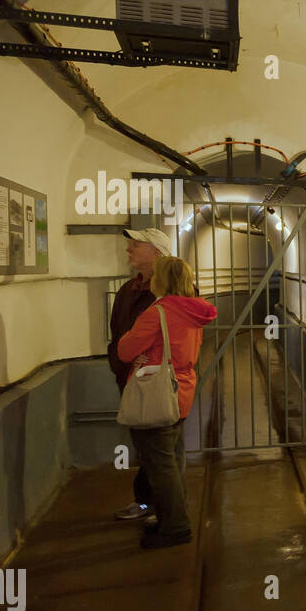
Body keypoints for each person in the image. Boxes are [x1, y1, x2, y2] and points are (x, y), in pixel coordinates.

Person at [117, 256, 217, 549]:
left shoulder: (157, 312)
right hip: (182, 390)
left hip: (157, 394)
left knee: (160, 467)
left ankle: (175, 527)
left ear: (163, 280)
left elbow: (125, 350)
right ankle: (172, 517)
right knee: (172, 460)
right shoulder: (195, 310)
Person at [107, 228, 168, 521]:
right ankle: (147, 502)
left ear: (156, 253)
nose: (128, 249)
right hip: (130, 379)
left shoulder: (171, 291)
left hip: (156, 380)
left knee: (158, 448)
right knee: (144, 445)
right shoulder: (128, 290)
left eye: (136, 245)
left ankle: (163, 507)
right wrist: (119, 365)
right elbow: (117, 333)